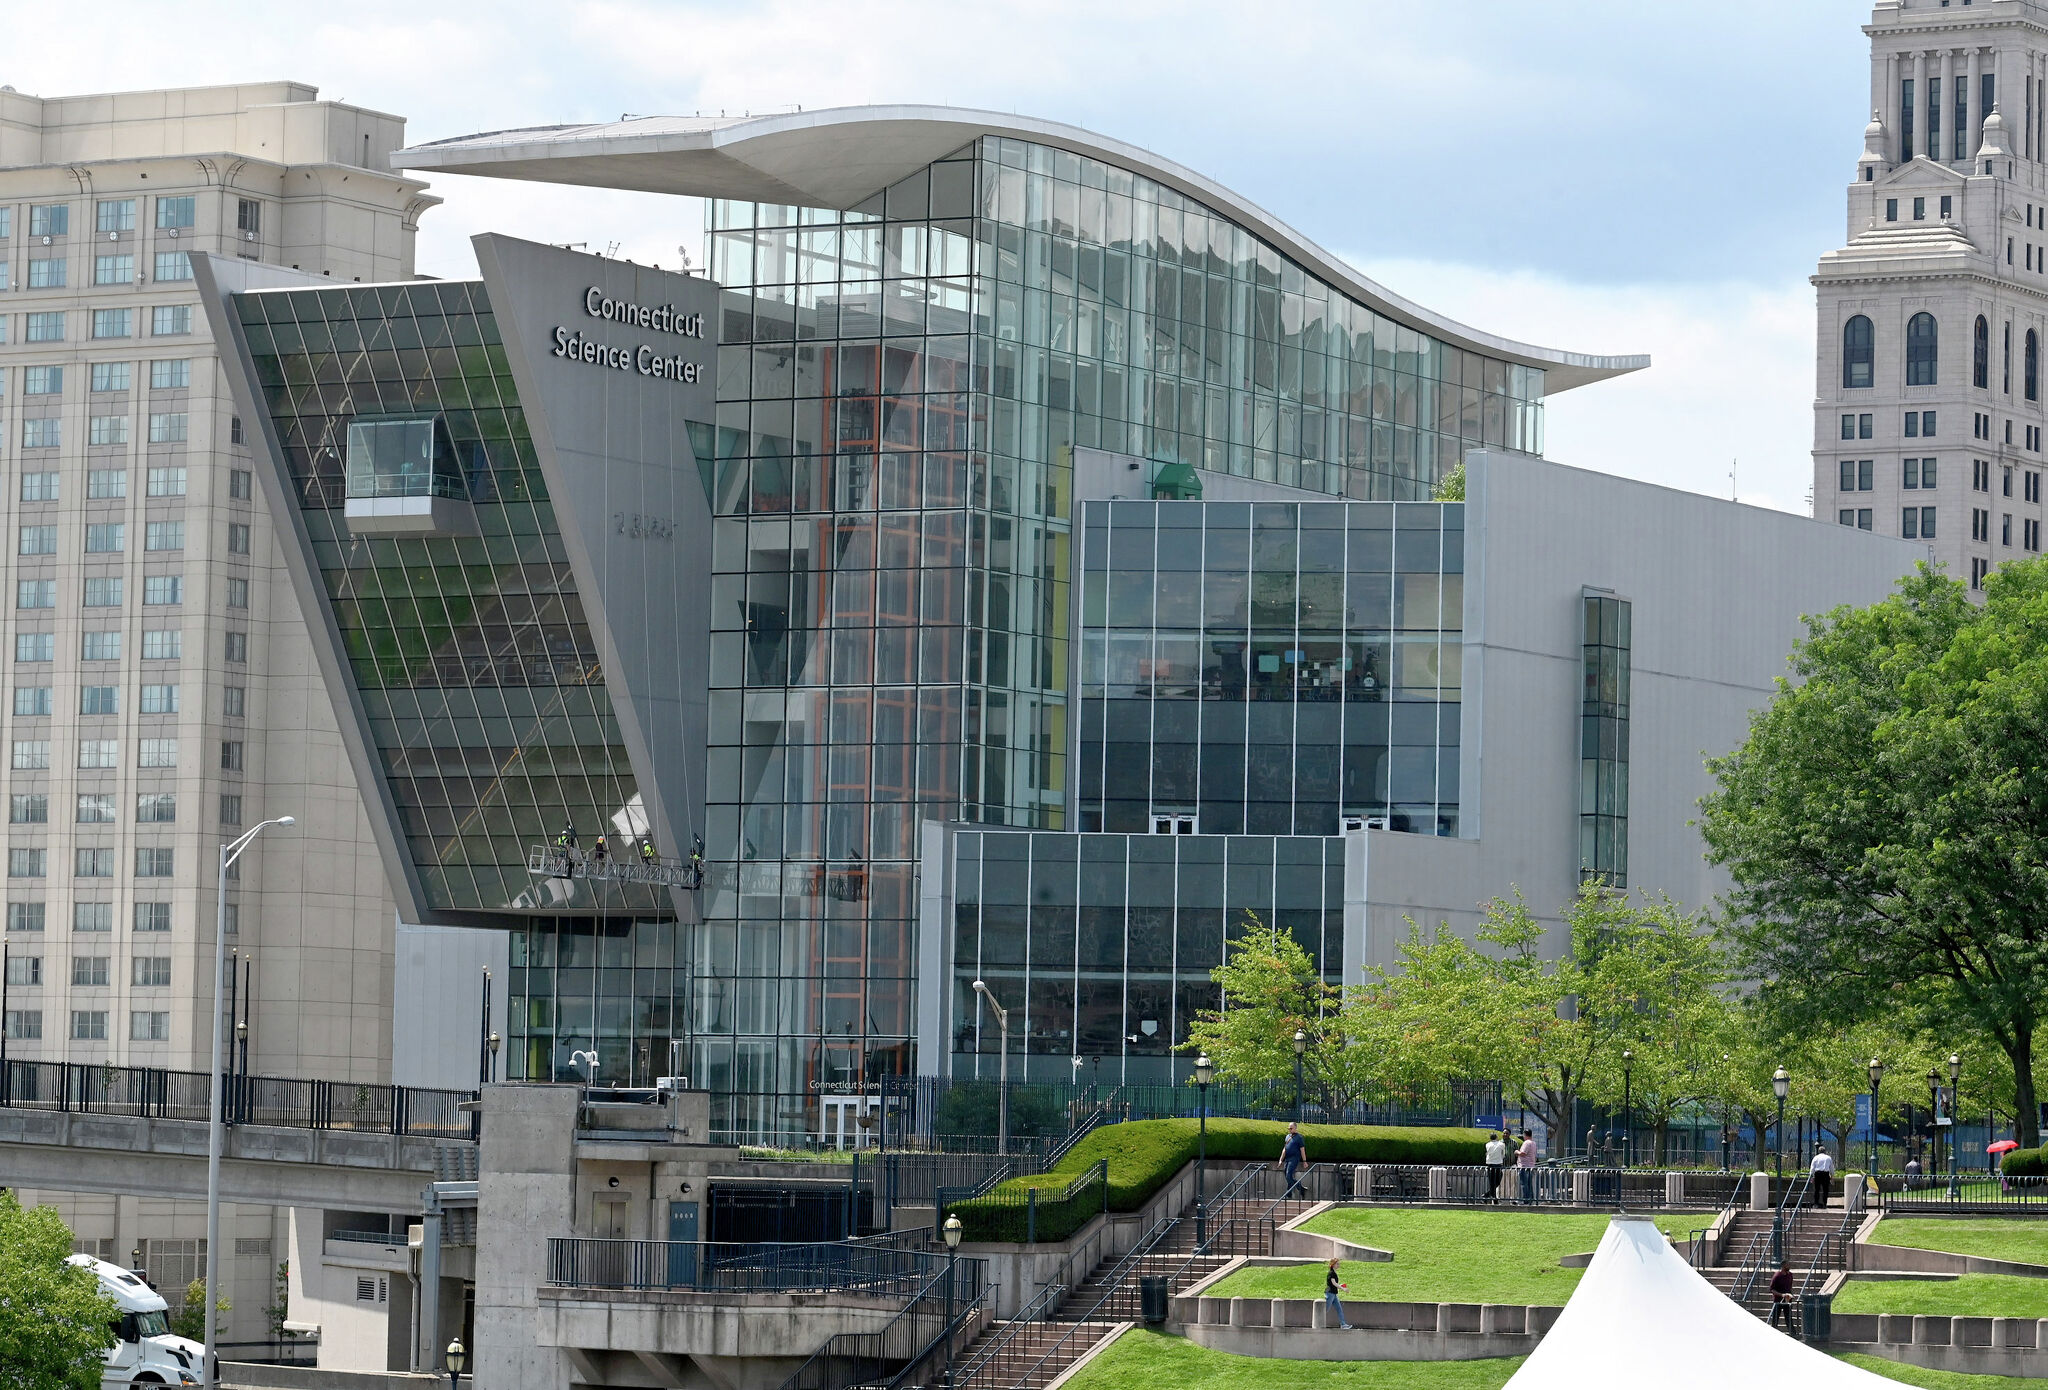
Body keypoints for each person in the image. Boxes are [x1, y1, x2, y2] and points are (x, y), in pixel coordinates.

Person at [1281, 1122, 1307, 1199]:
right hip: (1287, 1158)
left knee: (1288, 1175)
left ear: (1295, 1128)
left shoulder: (1299, 1137)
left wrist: (1304, 1161)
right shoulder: (1287, 1136)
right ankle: (1300, 1189)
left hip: (1294, 1159)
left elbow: (1302, 1150)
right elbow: (1285, 1149)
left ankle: (1288, 1194)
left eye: (1291, 1128)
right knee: (1287, 1176)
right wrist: (1281, 1159)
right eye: (1289, 1128)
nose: (1289, 1130)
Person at [1323, 1258, 1352, 1329]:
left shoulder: (1333, 1273)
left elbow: (1334, 1284)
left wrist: (1341, 1286)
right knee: (1325, 1309)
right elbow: (1334, 1283)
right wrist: (1343, 1288)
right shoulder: (1331, 1273)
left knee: (1339, 1309)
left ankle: (1343, 1324)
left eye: (1339, 1264)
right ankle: (1317, 1321)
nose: (1338, 1265)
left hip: (1333, 1294)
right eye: (1337, 1264)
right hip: (1330, 1294)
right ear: (1333, 1264)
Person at [1767, 1259, 1795, 1331]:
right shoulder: (1777, 1276)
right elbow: (1772, 1289)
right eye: (1787, 1265)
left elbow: (1789, 1287)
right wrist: (1782, 1295)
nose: (1789, 1266)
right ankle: (1773, 1331)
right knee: (1775, 1318)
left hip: (1787, 1300)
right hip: (1778, 1301)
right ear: (1783, 1266)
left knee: (1788, 1318)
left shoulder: (1790, 1275)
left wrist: (1790, 1295)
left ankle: (1793, 1333)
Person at [1484, 1132, 1508, 1204]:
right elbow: (1503, 1154)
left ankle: (1487, 1195)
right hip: (1498, 1164)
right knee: (1497, 1182)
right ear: (1497, 1137)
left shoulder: (1487, 1144)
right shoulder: (1501, 1144)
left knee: (1492, 1183)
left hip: (1490, 1165)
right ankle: (1494, 1199)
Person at [1516, 1130, 1538, 1204]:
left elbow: (1523, 1153)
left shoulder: (1526, 1143)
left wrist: (1516, 1152)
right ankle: (1530, 1199)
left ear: (1525, 1134)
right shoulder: (1533, 1143)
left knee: (1524, 1184)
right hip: (1531, 1166)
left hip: (1524, 1166)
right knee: (1529, 1184)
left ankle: (1526, 1200)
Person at [1810, 1142, 1835, 1207]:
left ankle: (1816, 1203)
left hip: (1817, 1174)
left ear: (1818, 1151)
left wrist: (1812, 1176)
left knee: (1816, 1189)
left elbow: (1812, 1168)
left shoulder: (1815, 1158)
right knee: (1825, 1190)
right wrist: (1832, 1176)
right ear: (1825, 1151)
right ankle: (1824, 1204)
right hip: (1825, 1174)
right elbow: (1831, 1168)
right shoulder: (1828, 1158)